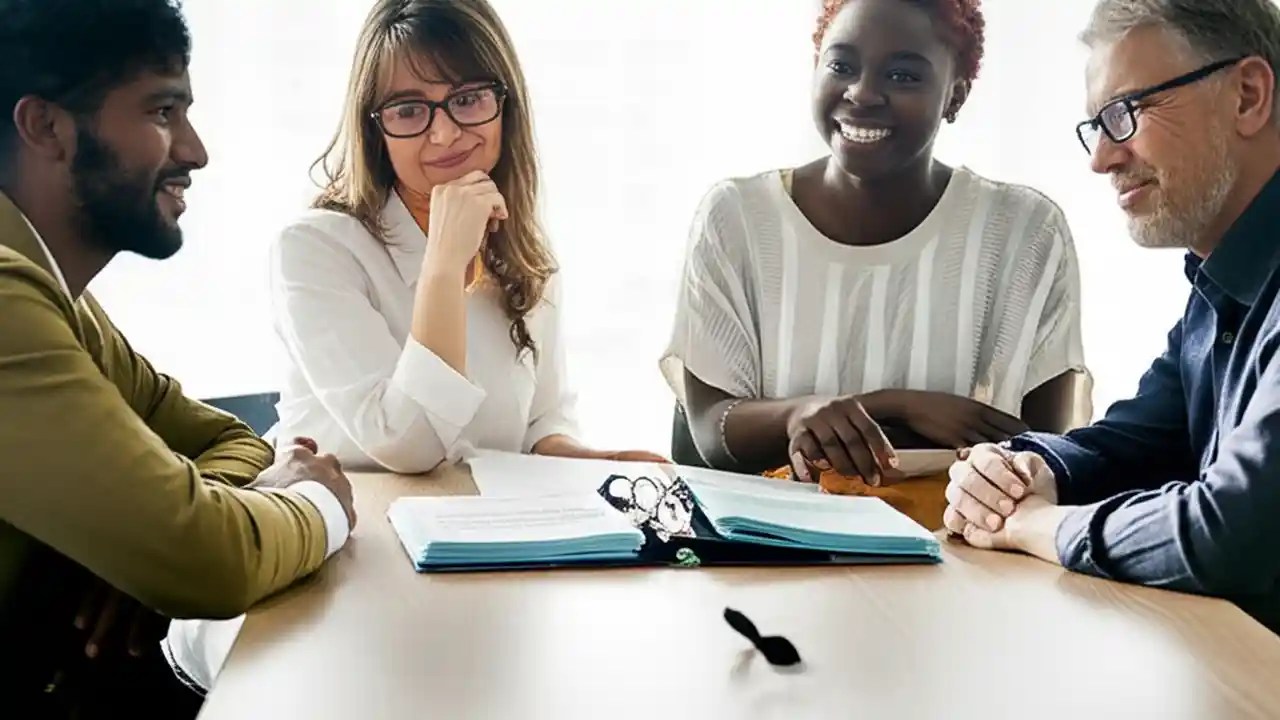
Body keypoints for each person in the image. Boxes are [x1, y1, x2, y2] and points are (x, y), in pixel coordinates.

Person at [0, 0, 356, 715]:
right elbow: (207, 560)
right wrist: (317, 501)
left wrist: (153, 535)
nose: (194, 151)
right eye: (163, 112)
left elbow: (225, 441)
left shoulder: (62, 305)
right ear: (46, 127)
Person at [662, 0, 1090, 519]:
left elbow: (1041, 456)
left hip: (956, 556)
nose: (861, 93)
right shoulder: (736, 218)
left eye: (903, 75)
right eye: (841, 65)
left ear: (956, 94)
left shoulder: (1023, 231)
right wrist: (886, 407)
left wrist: (823, 424)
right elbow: (710, 431)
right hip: (771, 553)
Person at [945, 0, 1280, 634]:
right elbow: (1133, 445)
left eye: (1125, 114)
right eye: (1095, 124)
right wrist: (1023, 472)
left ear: (1247, 96)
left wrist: (1034, 525)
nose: (1101, 158)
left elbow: (1233, 531)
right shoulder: (1219, 289)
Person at [268, 0, 666, 474]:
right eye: (409, 110)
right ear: (376, 130)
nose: (443, 134)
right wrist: (445, 260)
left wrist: (601, 463)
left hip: (484, 533)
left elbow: (540, 423)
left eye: (467, 99)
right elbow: (408, 444)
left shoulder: (524, 253)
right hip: (360, 531)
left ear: (505, 105)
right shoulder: (315, 248)